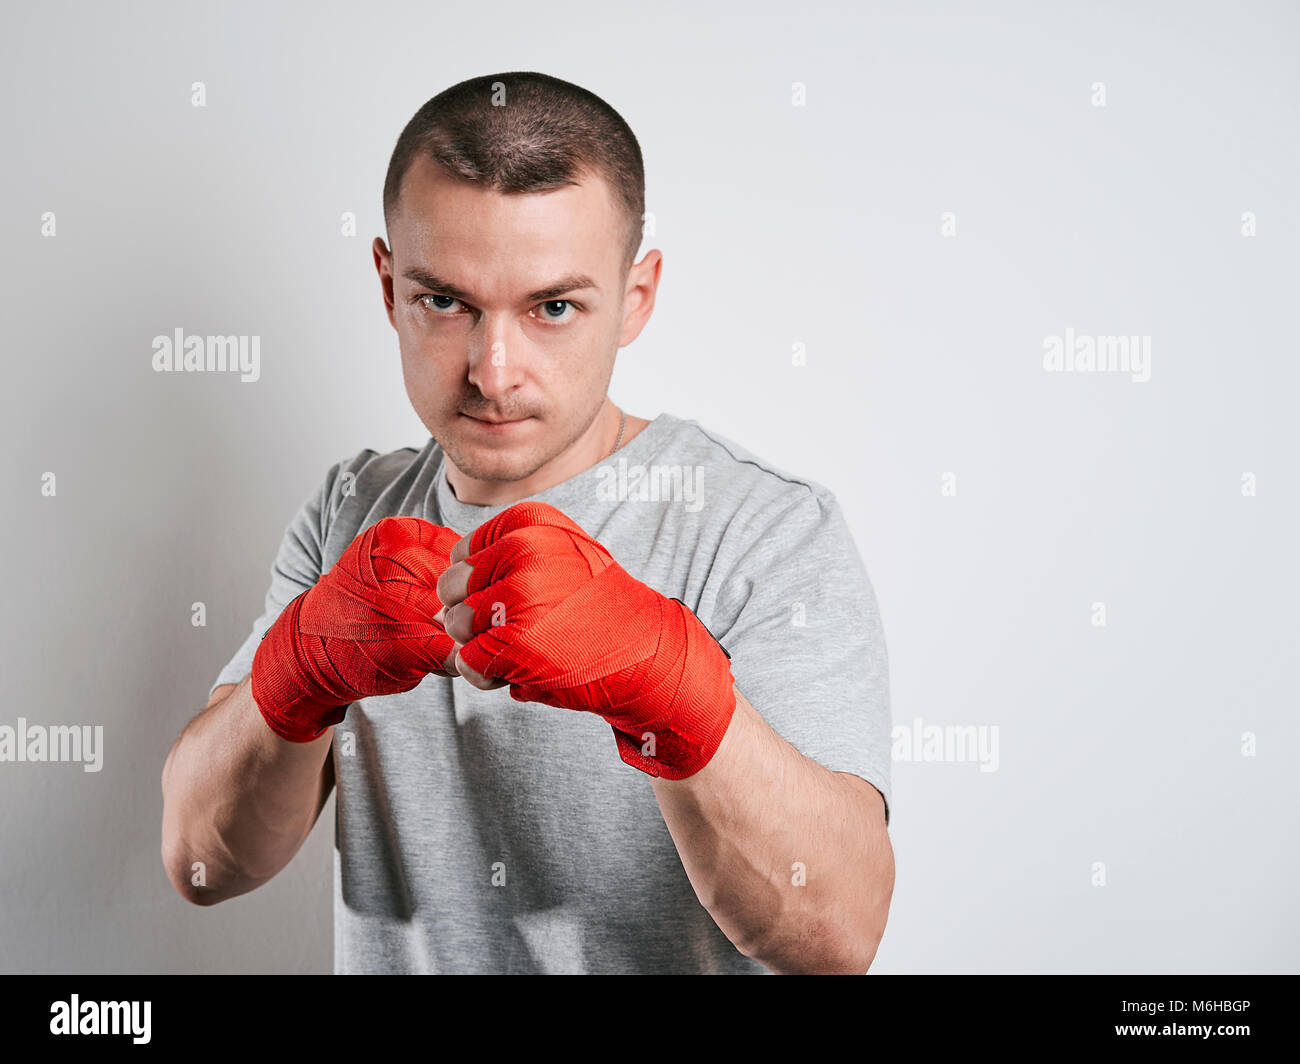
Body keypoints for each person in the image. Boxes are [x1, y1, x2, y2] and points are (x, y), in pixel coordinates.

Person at [160, 71, 894, 975]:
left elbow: (839, 938)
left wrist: (672, 689)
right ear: (389, 286)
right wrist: (293, 674)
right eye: (446, 302)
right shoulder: (351, 510)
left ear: (636, 298)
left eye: (553, 307)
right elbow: (202, 862)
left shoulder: (763, 530)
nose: (493, 372)